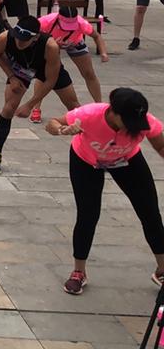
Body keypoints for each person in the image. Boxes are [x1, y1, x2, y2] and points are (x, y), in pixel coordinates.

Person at [45, 88, 164, 295]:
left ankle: (162, 270)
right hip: (86, 161)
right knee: (88, 215)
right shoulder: (90, 114)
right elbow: (52, 123)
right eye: (127, 120)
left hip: (127, 160)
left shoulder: (144, 121)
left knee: (150, 213)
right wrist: (62, 130)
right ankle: (78, 272)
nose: (132, 127)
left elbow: (161, 147)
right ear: (113, 112)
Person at [0, 15, 81, 175]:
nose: (19, 43)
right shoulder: (5, 38)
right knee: (8, 109)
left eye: (24, 40)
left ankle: (94, 150)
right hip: (20, 69)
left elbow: (50, 81)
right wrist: (11, 76)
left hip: (47, 69)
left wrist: (30, 105)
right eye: (17, 38)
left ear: (35, 37)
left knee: (75, 108)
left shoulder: (50, 46)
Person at [39, 5, 109, 104]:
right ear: (58, 17)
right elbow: (34, 36)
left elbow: (96, 36)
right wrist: (51, 43)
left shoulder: (81, 23)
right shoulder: (46, 21)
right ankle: (36, 108)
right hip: (51, 43)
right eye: (66, 24)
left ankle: (99, 104)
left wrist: (103, 52)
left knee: (89, 73)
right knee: (44, 74)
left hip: (75, 42)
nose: (68, 29)